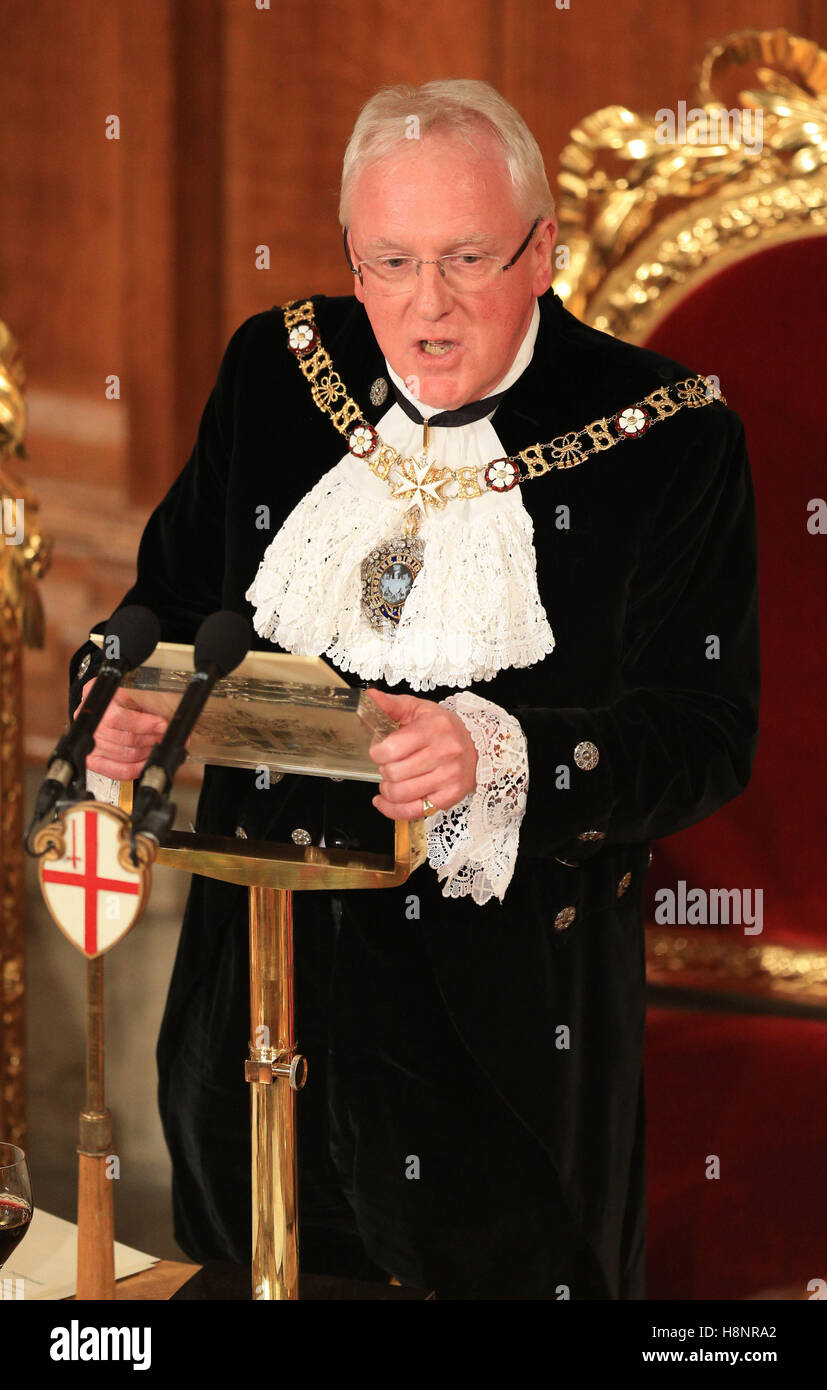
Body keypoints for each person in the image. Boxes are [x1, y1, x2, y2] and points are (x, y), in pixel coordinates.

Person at [68, 79, 760, 1299]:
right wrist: (116, 693)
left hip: (504, 1028)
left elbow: (704, 737)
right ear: (350, 252)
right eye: (388, 263)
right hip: (249, 989)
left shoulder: (667, 436)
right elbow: (162, 607)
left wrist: (498, 758)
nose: (424, 309)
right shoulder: (277, 371)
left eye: (464, 261)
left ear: (540, 251)